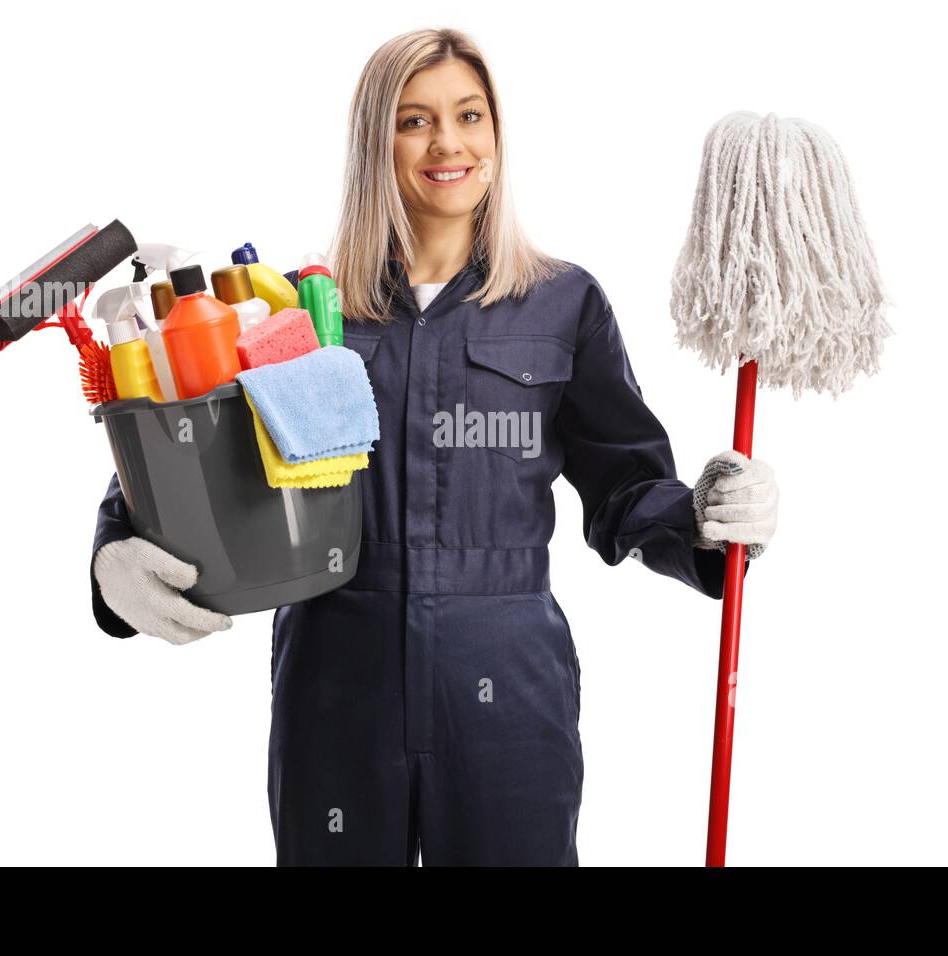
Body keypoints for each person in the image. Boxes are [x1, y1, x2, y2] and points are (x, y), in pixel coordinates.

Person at [90, 28, 779, 866]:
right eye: (415, 120)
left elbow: (628, 489)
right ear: (376, 142)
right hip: (337, 678)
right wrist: (112, 549)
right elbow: (191, 456)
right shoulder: (301, 309)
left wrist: (708, 520)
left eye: (469, 115)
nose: (447, 143)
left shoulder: (561, 304)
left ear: (496, 134)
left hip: (506, 686)